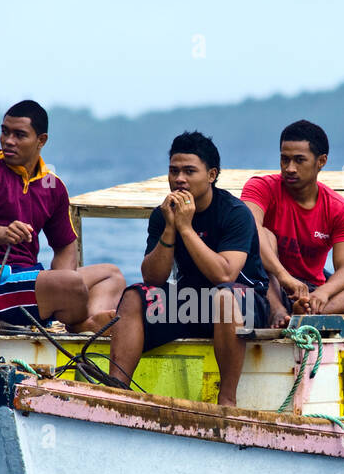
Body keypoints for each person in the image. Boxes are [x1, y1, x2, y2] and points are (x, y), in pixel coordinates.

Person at [107, 131, 270, 406]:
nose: (179, 178)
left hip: (246, 306)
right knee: (135, 295)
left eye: (189, 171)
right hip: (193, 305)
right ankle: (116, 393)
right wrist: (171, 227)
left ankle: (227, 401)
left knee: (224, 297)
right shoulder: (164, 213)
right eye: (174, 171)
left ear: (211, 174)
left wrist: (185, 227)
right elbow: (153, 278)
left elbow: (225, 274)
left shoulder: (234, 213)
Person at [0, 99, 124, 332]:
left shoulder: (53, 186)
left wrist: (63, 282)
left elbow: (65, 245)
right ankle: (83, 323)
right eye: (5, 132)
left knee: (112, 276)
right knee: (72, 282)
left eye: (19, 135)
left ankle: (87, 326)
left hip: (31, 280)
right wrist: (4, 233)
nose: (8, 141)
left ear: (41, 140)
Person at [241, 120, 344, 328]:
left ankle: (307, 316)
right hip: (270, 284)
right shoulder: (260, 187)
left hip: (313, 290)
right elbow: (249, 232)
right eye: (284, 160)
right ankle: (277, 312)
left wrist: (323, 293)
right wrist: (284, 277)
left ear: (321, 161)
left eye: (299, 160)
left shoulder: (340, 208)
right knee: (263, 234)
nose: (290, 168)